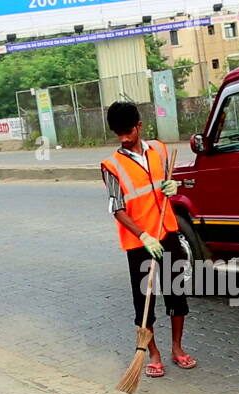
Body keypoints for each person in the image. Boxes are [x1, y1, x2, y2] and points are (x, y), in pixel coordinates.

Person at [100, 101, 196, 378]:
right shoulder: (112, 166)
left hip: (167, 234)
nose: (124, 137)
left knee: (177, 295)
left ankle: (177, 348)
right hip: (139, 242)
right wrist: (142, 235)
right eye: (118, 132)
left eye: (128, 130)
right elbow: (116, 208)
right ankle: (152, 352)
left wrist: (173, 185)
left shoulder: (160, 149)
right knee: (144, 302)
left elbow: (167, 181)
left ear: (139, 126)